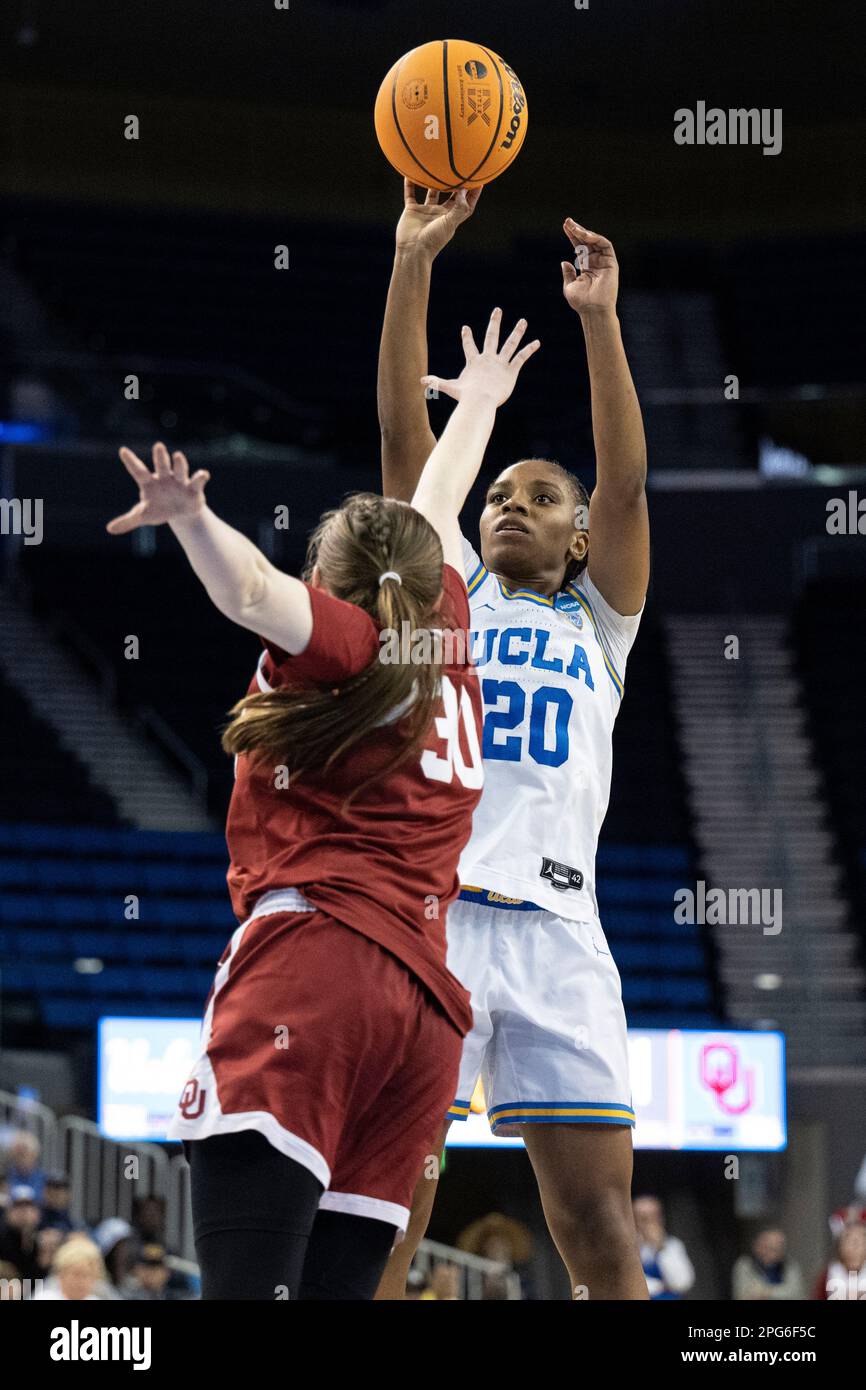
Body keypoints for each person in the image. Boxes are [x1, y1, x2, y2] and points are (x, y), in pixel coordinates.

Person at [109, 309, 539, 1301]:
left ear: (333, 581)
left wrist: (188, 517)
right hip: (425, 1022)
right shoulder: (445, 626)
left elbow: (254, 592)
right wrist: (474, 402)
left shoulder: (348, 640)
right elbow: (435, 501)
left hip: (317, 972)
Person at [375, 181, 650, 1301]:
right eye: (497, 492)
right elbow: (406, 434)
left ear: (581, 537)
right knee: (394, 1199)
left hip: (558, 929)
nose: (508, 504)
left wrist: (598, 320)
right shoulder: (446, 591)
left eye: (539, 497)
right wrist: (411, 261)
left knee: (593, 1220)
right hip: (434, 914)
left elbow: (624, 478)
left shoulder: (601, 616)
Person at [633, 1195, 696, 1299]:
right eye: (643, 1218)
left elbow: (682, 1283)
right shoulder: (629, 1251)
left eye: (652, 1217)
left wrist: (660, 1247)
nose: (648, 1224)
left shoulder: (672, 1245)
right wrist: (661, 1286)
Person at [31, 1234, 113, 1301]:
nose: (81, 1282)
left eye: (86, 1275)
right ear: (61, 1275)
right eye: (76, 1274)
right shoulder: (45, 1298)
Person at [732, 1226, 804, 1301]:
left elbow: (796, 1293)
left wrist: (767, 1292)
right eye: (767, 1247)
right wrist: (781, 1292)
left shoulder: (790, 1265)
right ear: (757, 1246)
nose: (771, 1253)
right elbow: (745, 1295)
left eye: (777, 1249)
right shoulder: (745, 1264)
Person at [813, 1221, 866, 1300]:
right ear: (840, 1246)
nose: (855, 1249)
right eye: (849, 1241)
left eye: (860, 1242)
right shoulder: (827, 1276)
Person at [0, 1184, 42, 1282]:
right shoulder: (2, 1236)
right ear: (8, 1212)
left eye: (28, 1206)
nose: (24, 1211)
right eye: (18, 1206)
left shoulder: (43, 1236)